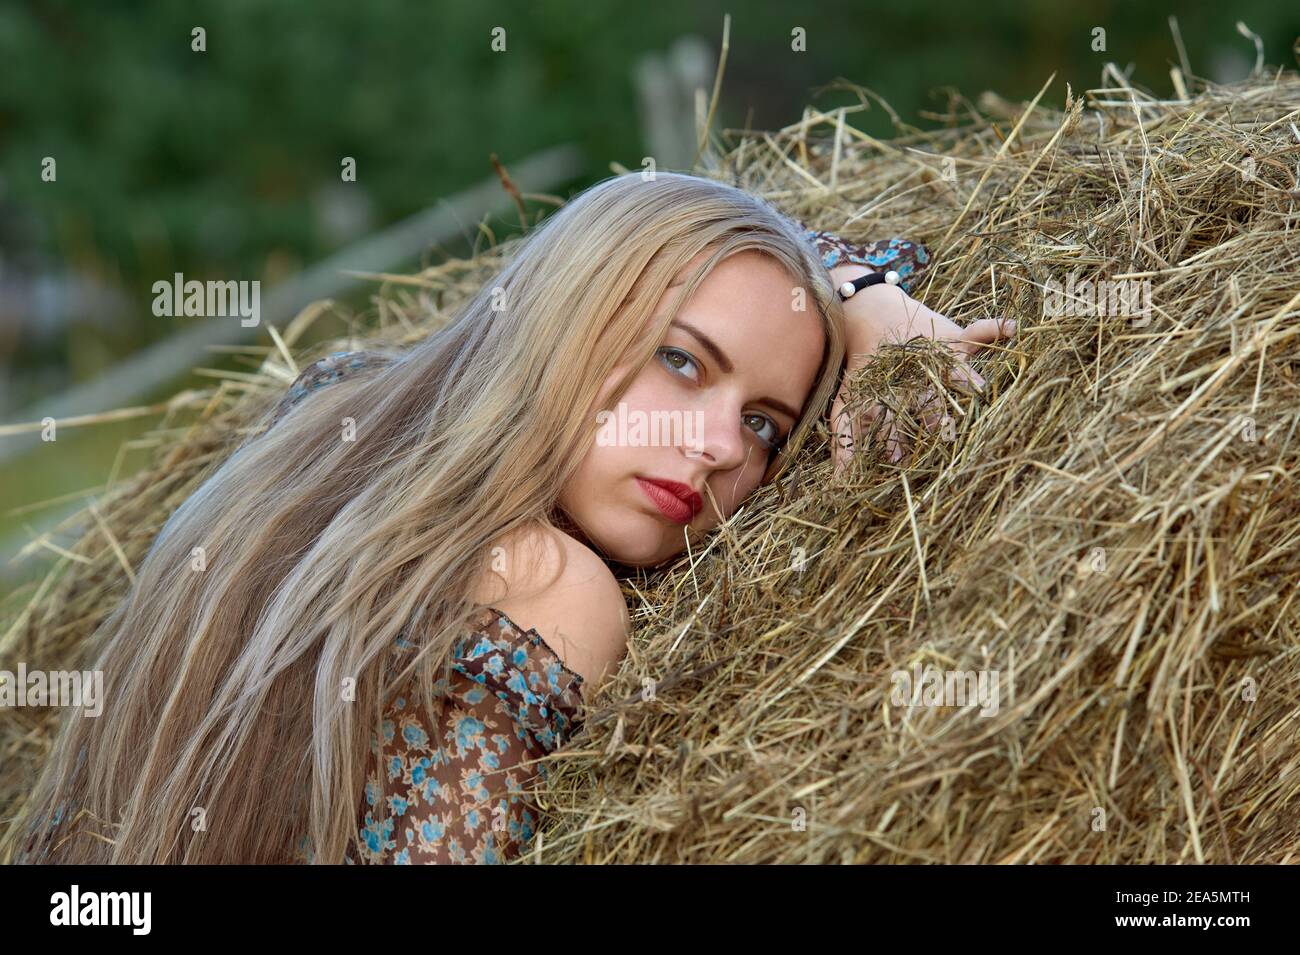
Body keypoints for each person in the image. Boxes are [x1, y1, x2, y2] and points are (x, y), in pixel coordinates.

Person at [7, 171, 1013, 865]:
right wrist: (866, 299)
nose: (716, 447)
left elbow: (676, 225)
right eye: (680, 360)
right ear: (574, 313)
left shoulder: (341, 415)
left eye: (763, 423)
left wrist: (854, 294)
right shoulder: (546, 587)